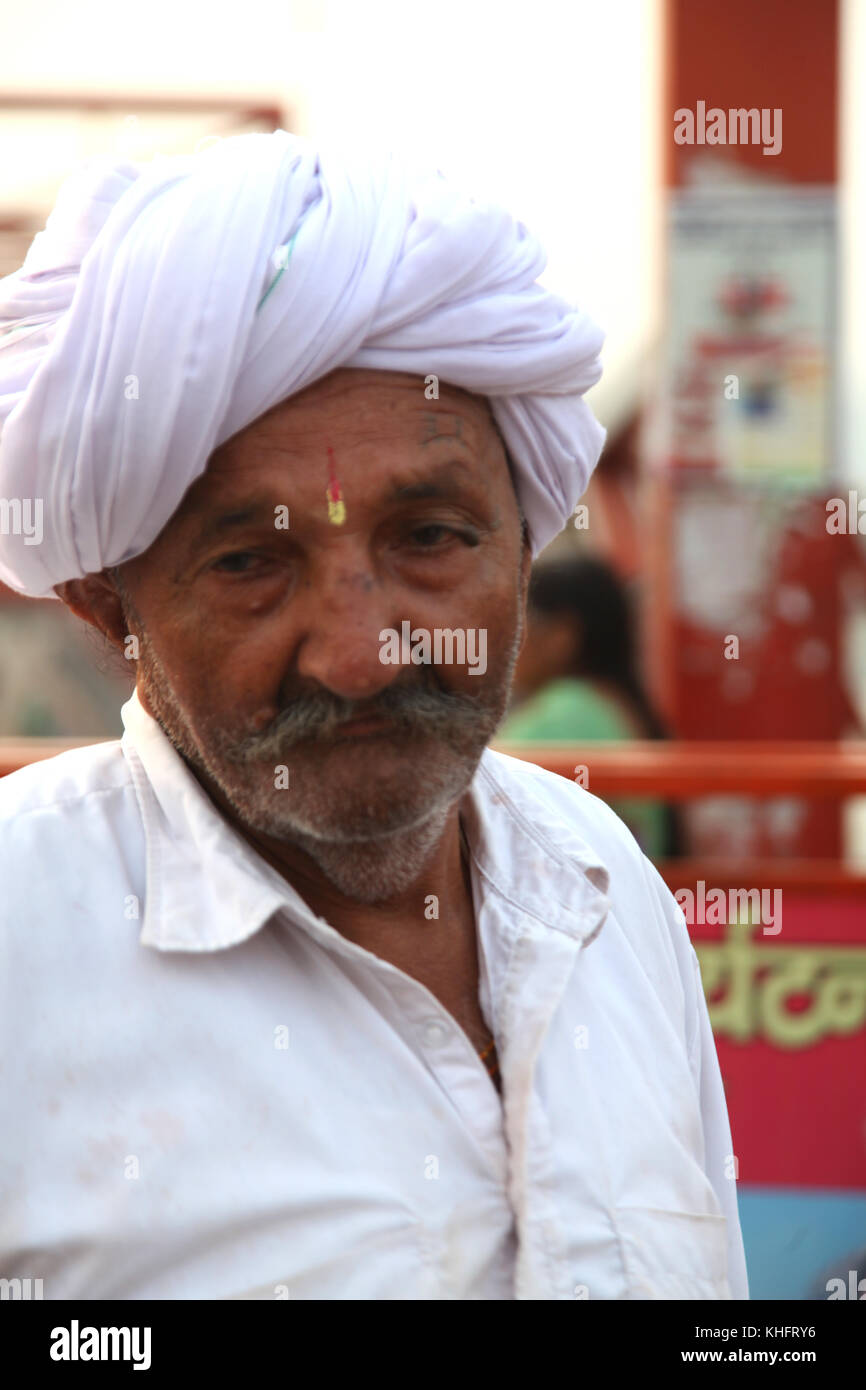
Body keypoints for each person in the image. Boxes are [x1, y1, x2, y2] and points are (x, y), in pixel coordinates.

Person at [0, 131, 747, 1300]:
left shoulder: (603, 883)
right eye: (250, 560)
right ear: (110, 606)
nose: (361, 654)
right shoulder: (21, 937)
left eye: (431, 539)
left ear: (522, 544)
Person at [500, 556, 684, 859]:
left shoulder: (570, 710)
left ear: (562, 636)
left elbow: (471, 794)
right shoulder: (616, 704)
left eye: (519, 619)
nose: (508, 638)